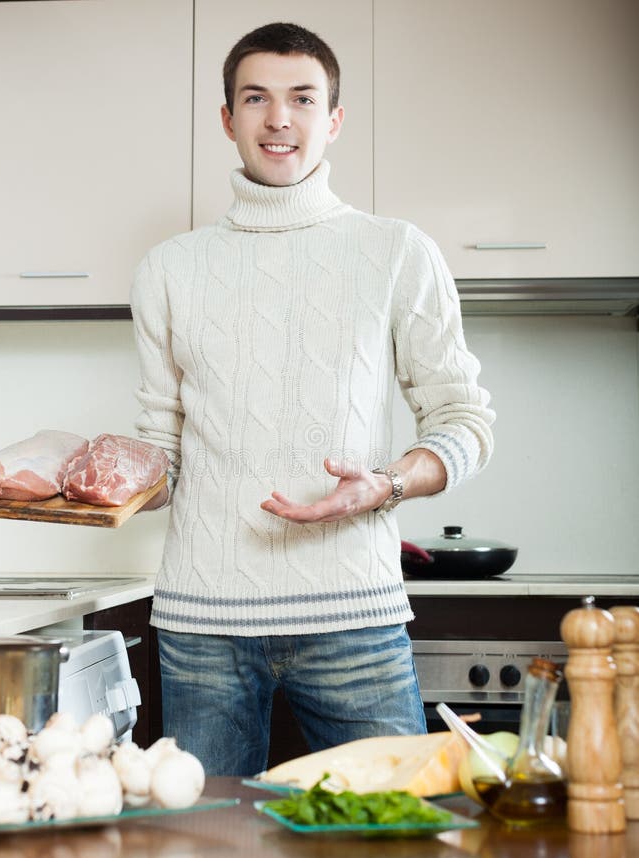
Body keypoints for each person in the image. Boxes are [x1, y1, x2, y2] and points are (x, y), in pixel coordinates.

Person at [131, 22, 495, 775]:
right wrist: (96, 481)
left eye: (302, 98)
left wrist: (387, 485)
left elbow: (464, 421)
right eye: (256, 98)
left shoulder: (396, 251)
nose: (279, 118)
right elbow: (161, 457)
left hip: (352, 616)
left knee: (397, 844)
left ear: (332, 119)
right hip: (203, 625)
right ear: (228, 119)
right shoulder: (168, 270)